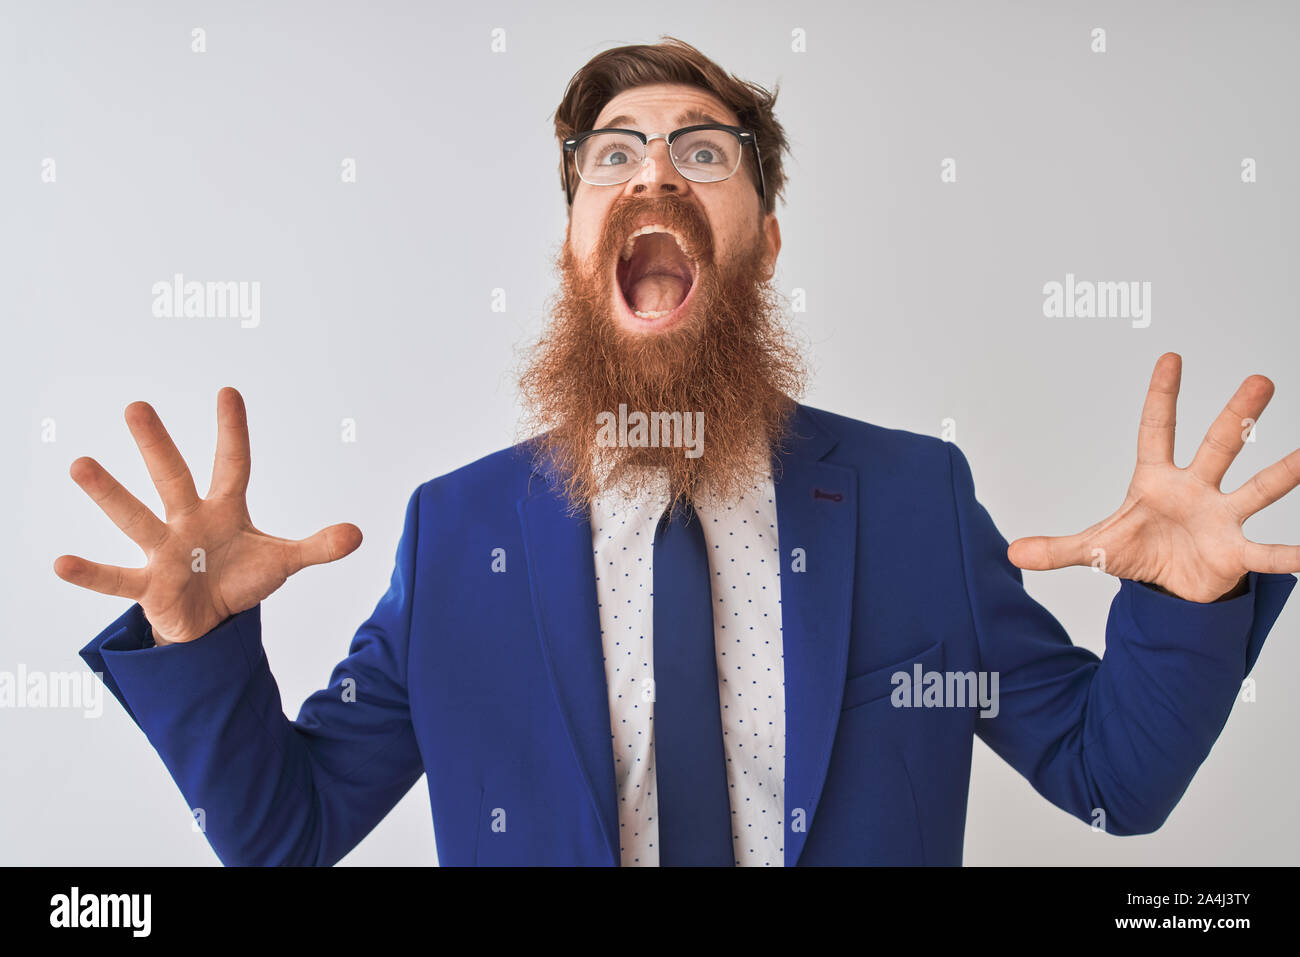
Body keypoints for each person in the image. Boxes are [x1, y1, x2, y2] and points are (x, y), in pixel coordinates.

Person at [59, 37, 1298, 866]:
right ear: (574, 245)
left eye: (703, 152)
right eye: (614, 156)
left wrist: (1181, 607)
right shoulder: (460, 535)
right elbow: (288, 833)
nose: (655, 170)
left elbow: (1110, 781)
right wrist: (203, 648)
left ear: (763, 242)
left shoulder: (915, 501)